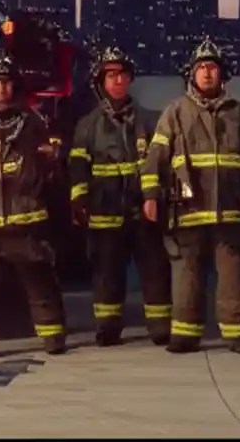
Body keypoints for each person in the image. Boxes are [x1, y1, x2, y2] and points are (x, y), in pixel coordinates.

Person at [140, 37, 240, 354]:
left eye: (213, 68)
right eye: (202, 68)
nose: (208, 73)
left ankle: (238, 335)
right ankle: (184, 335)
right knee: (187, 276)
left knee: (233, 277)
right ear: (192, 74)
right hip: (188, 210)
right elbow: (154, 158)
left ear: (222, 74)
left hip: (231, 211)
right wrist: (150, 195)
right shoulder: (174, 113)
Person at [0, 51, 69, 355]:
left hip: (24, 215)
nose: (2, 88)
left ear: (15, 86)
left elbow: (52, 168)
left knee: (38, 276)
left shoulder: (34, 124)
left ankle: (52, 336)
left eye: (7, 83)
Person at [68, 45, 172, 346]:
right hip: (104, 209)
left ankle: (159, 326)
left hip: (141, 210)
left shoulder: (147, 121)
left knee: (154, 269)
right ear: (101, 81)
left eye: (122, 74)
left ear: (129, 79)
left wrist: (155, 196)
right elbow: (77, 164)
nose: (117, 80)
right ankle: (108, 327)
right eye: (110, 75)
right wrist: (79, 198)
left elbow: (159, 162)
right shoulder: (88, 125)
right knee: (107, 272)